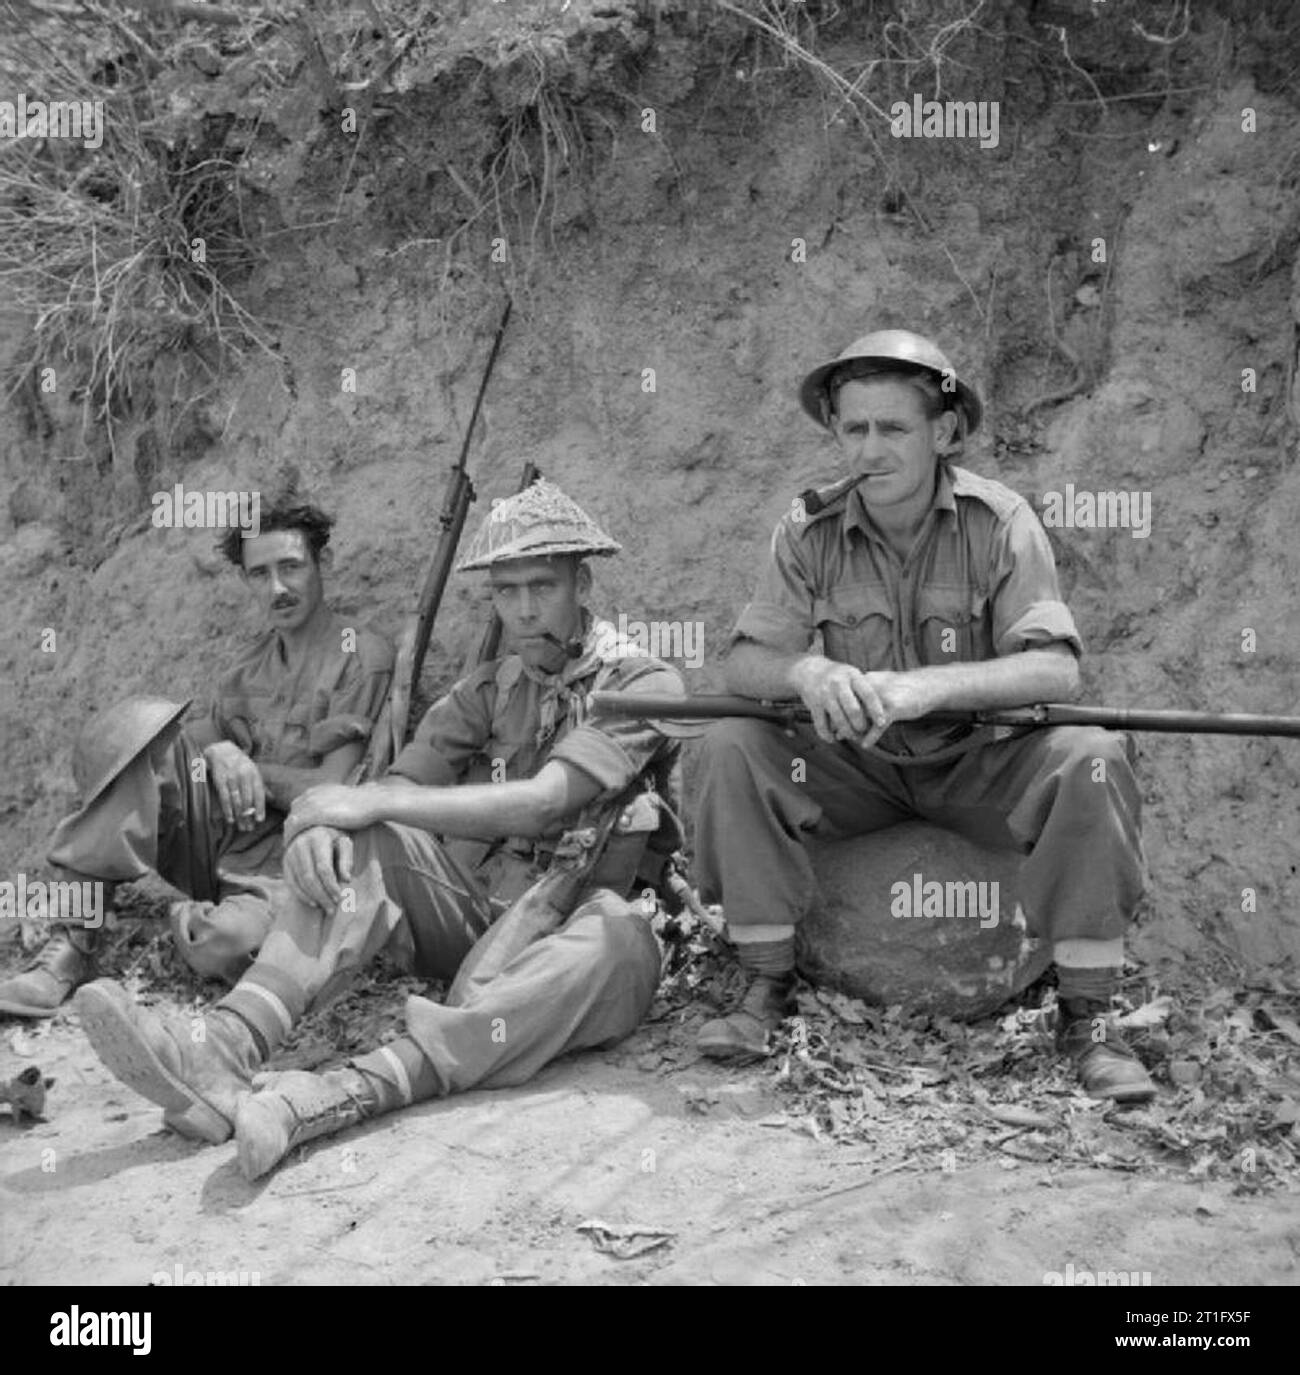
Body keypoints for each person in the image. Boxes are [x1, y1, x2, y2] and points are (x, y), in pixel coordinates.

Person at [74, 479, 685, 1179]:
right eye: (504, 590)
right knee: (363, 840)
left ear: (583, 582)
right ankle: (225, 1049)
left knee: (616, 932)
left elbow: (549, 801)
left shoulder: (640, 683)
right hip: (484, 923)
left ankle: (342, 1092)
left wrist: (369, 804)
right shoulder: (489, 687)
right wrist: (337, 821)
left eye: (541, 586)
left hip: (578, 940)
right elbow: (404, 781)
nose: (522, 610)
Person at [693, 328, 1156, 1103]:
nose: (869, 449)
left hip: (981, 770)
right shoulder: (806, 528)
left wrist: (930, 688)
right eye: (853, 428)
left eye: (892, 428)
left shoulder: (1000, 520)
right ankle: (762, 988)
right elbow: (744, 661)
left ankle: (1088, 1019)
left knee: (1092, 754)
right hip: (858, 770)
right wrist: (808, 670)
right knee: (730, 741)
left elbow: (1056, 666)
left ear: (942, 432)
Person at [0, 493, 393, 1016]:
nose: (277, 588)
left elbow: (334, 793)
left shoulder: (359, 656)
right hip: (221, 842)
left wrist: (250, 767)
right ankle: (74, 945)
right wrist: (222, 750)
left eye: (292, 567)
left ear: (323, 564)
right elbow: (192, 739)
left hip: (295, 861)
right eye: (260, 574)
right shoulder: (245, 669)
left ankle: (203, 925)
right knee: (137, 740)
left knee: (222, 944)